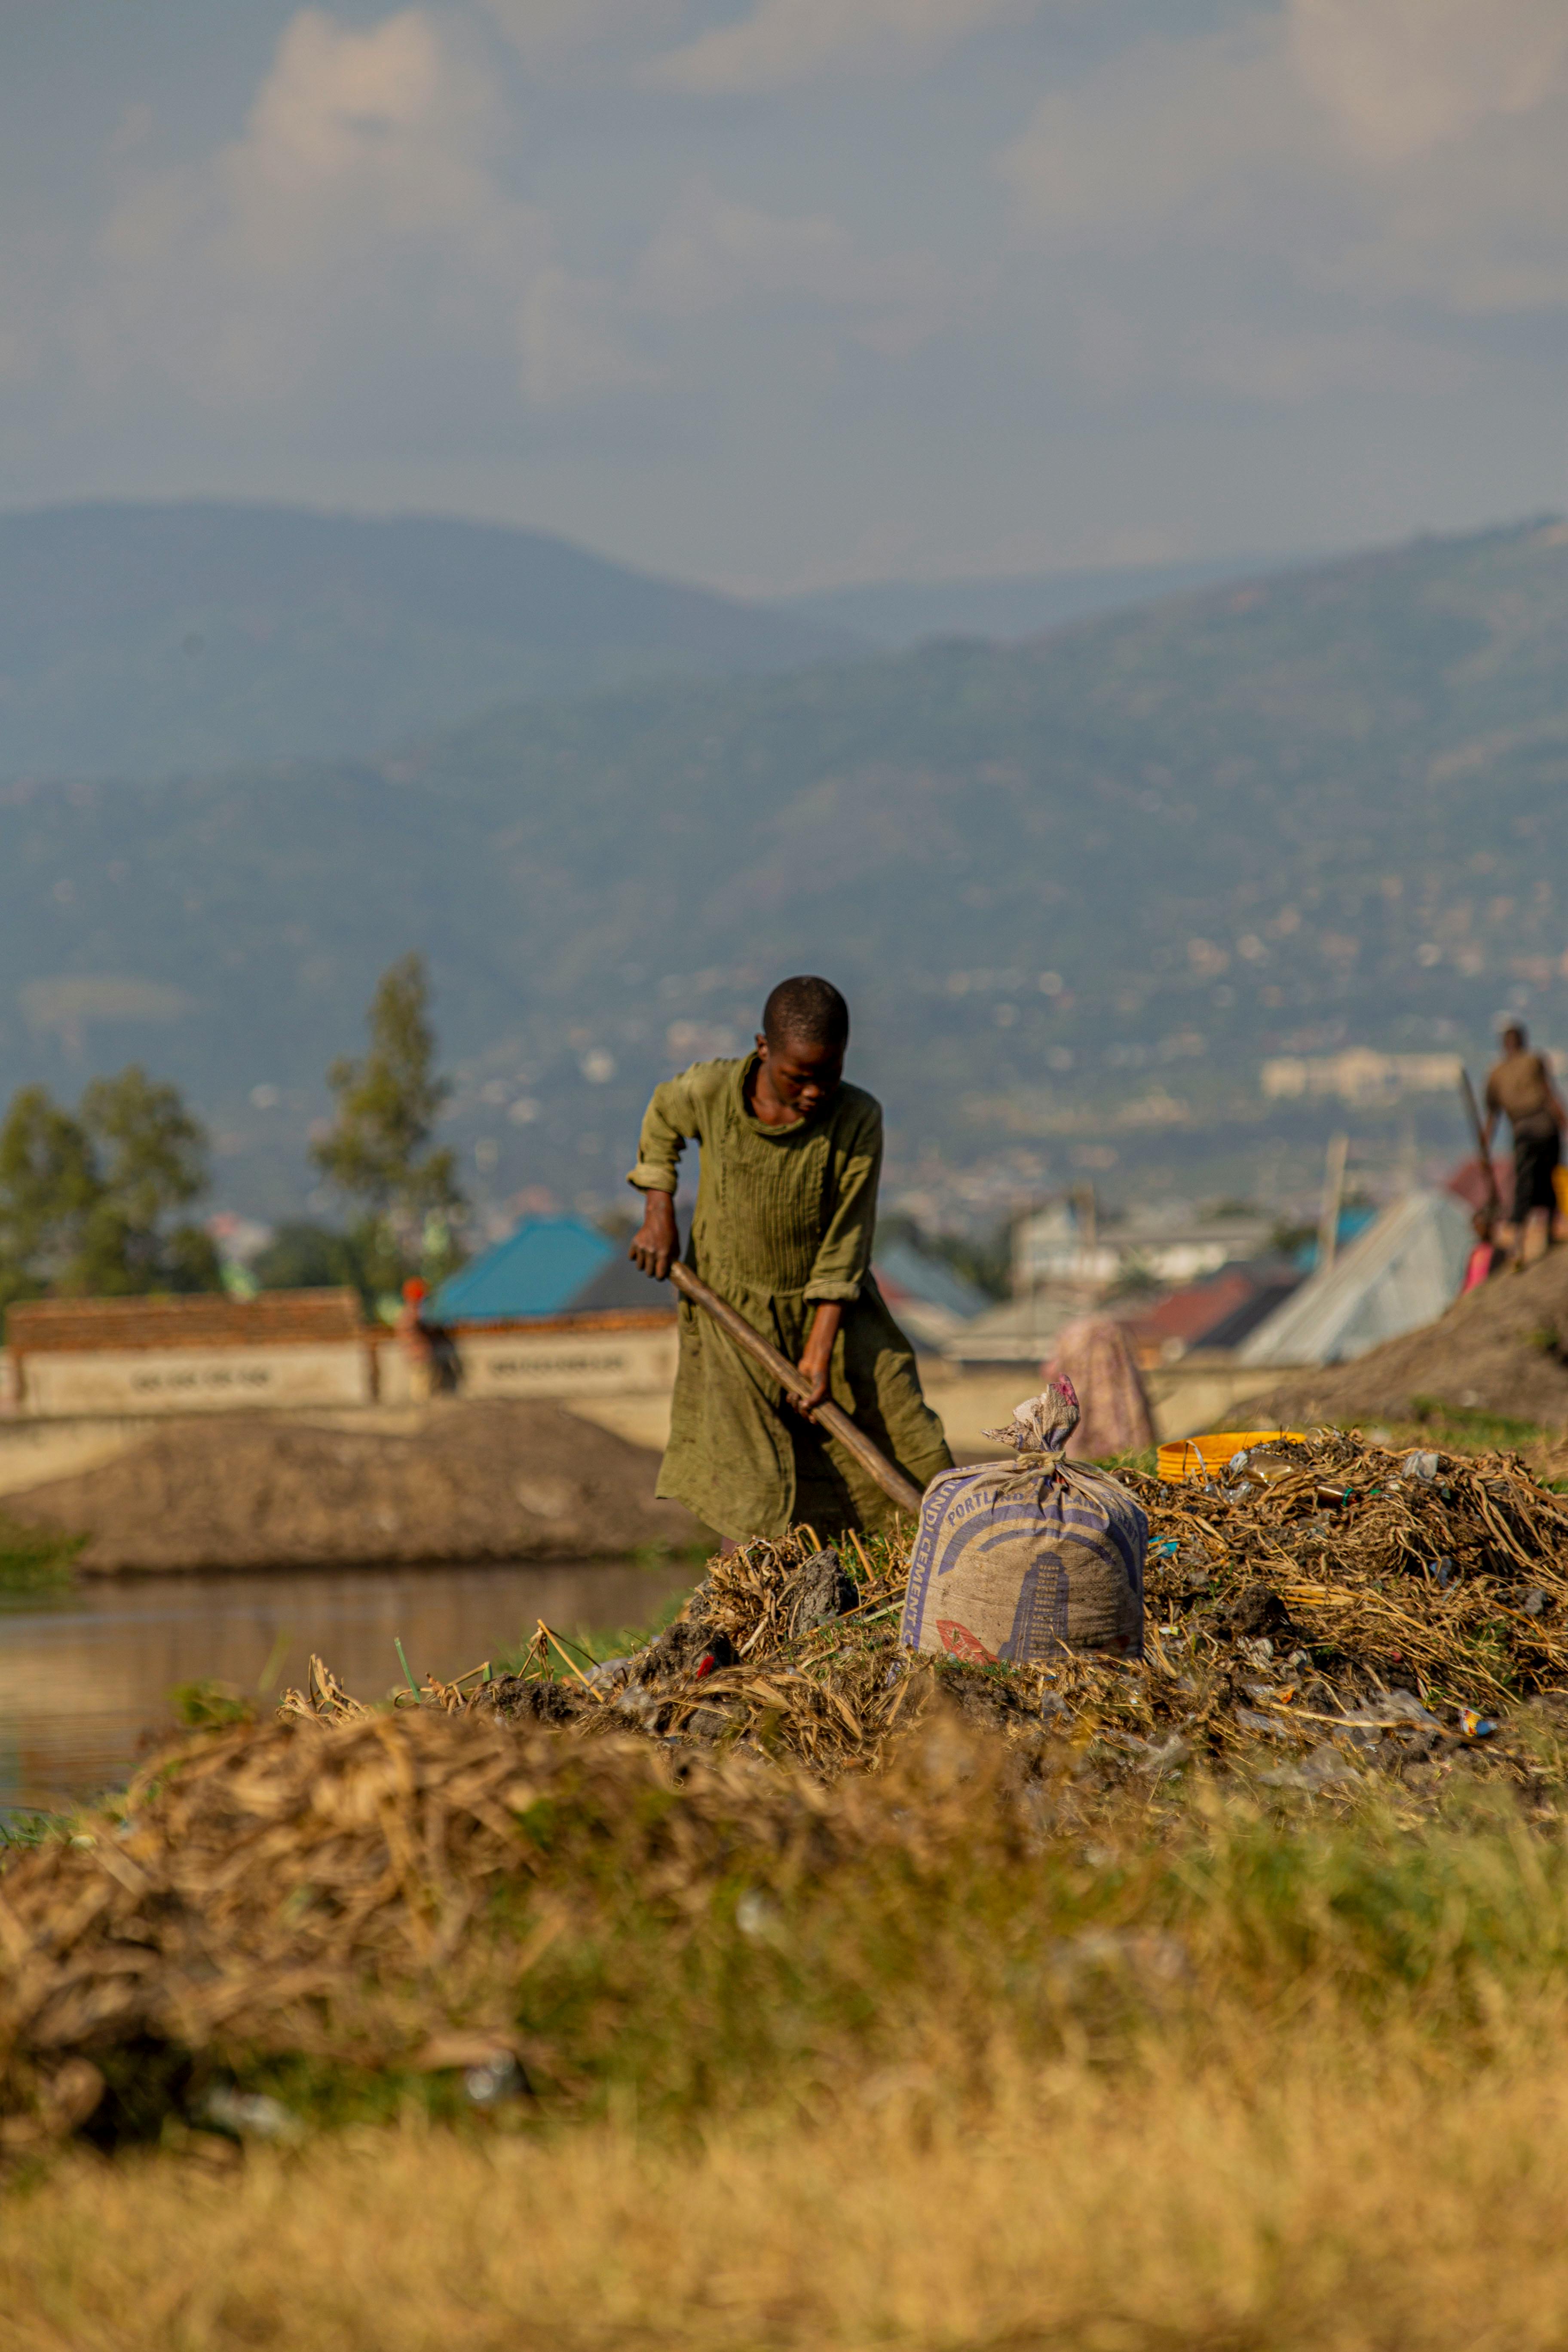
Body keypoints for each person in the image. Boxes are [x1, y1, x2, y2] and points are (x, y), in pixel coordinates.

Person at [627, 975, 952, 1543]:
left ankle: (944, 1552)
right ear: (763, 1049)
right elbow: (662, 1118)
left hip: (834, 1308)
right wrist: (659, 1210)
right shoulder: (710, 1092)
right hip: (730, 1311)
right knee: (749, 1476)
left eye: (830, 1075)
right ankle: (750, 1599)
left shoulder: (856, 1119)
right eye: (798, 1077)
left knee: (903, 1432)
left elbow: (847, 1241)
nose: (814, 1093)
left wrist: (818, 1354)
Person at [1484, 1022, 1567, 1266]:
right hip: (1545, 1126)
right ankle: (1548, 1232)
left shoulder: (1497, 1073)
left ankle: (1521, 1238)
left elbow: (1493, 1115)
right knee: (1548, 1176)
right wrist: (1562, 1121)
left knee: (1526, 1182)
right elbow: (1549, 1093)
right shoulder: (1533, 1061)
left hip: (1525, 1130)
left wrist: (1486, 1144)